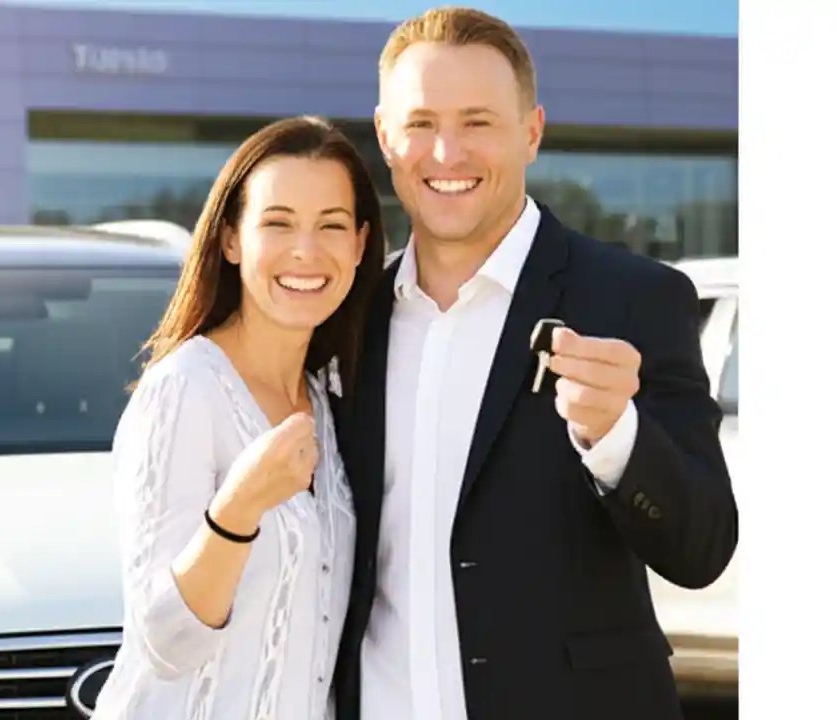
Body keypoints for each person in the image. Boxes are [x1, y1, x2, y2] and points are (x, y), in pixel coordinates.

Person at [329, 7, 739, 720]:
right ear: (387, 138)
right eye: (421, 122)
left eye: (478, 121)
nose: (447, 152)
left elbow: (701, 548)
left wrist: (616, 437)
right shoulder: (346, 318)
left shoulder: (635, 299)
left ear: (532, 132)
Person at [92, 115, 387, 719]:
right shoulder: (185, 389)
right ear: (231, 240)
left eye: (331, 225)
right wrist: (238, 509)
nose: (305, 251)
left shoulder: (329, 404)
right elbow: (165, 645)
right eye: (277, 223)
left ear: (359, 245)